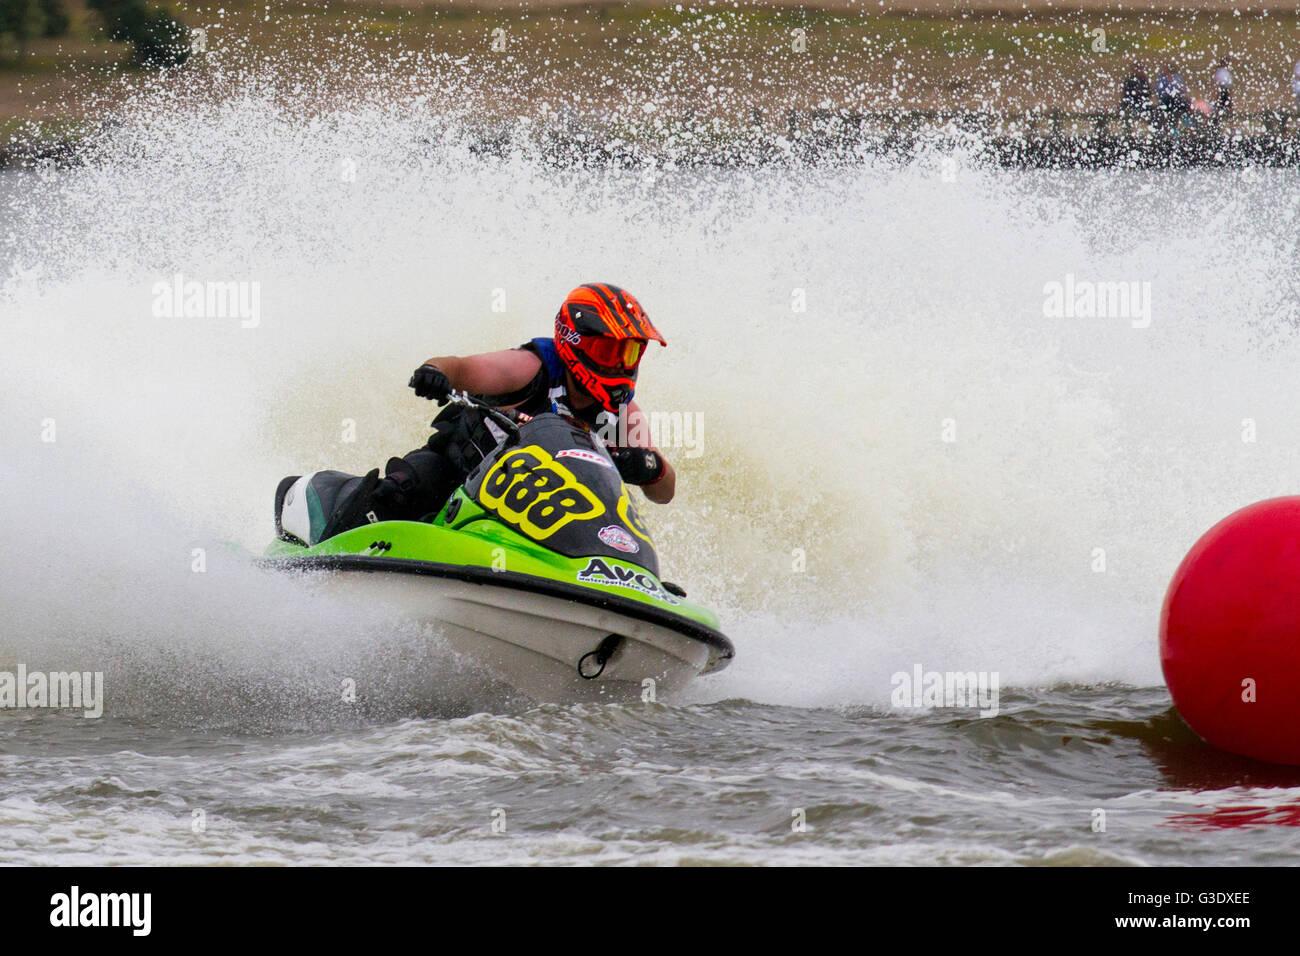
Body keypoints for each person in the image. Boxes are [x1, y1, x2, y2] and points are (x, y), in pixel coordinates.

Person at [297, 283, 676, 543]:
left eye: (630, 353)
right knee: (402, 492)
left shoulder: (622, 414)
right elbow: (457, 367)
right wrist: (435, 373)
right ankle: (330, 552)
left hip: (536, 514)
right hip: (459, 478)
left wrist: (649, 467)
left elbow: (665, 491)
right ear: (577, 343)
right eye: (613, 352)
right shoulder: (530, 367)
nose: (622, 364)